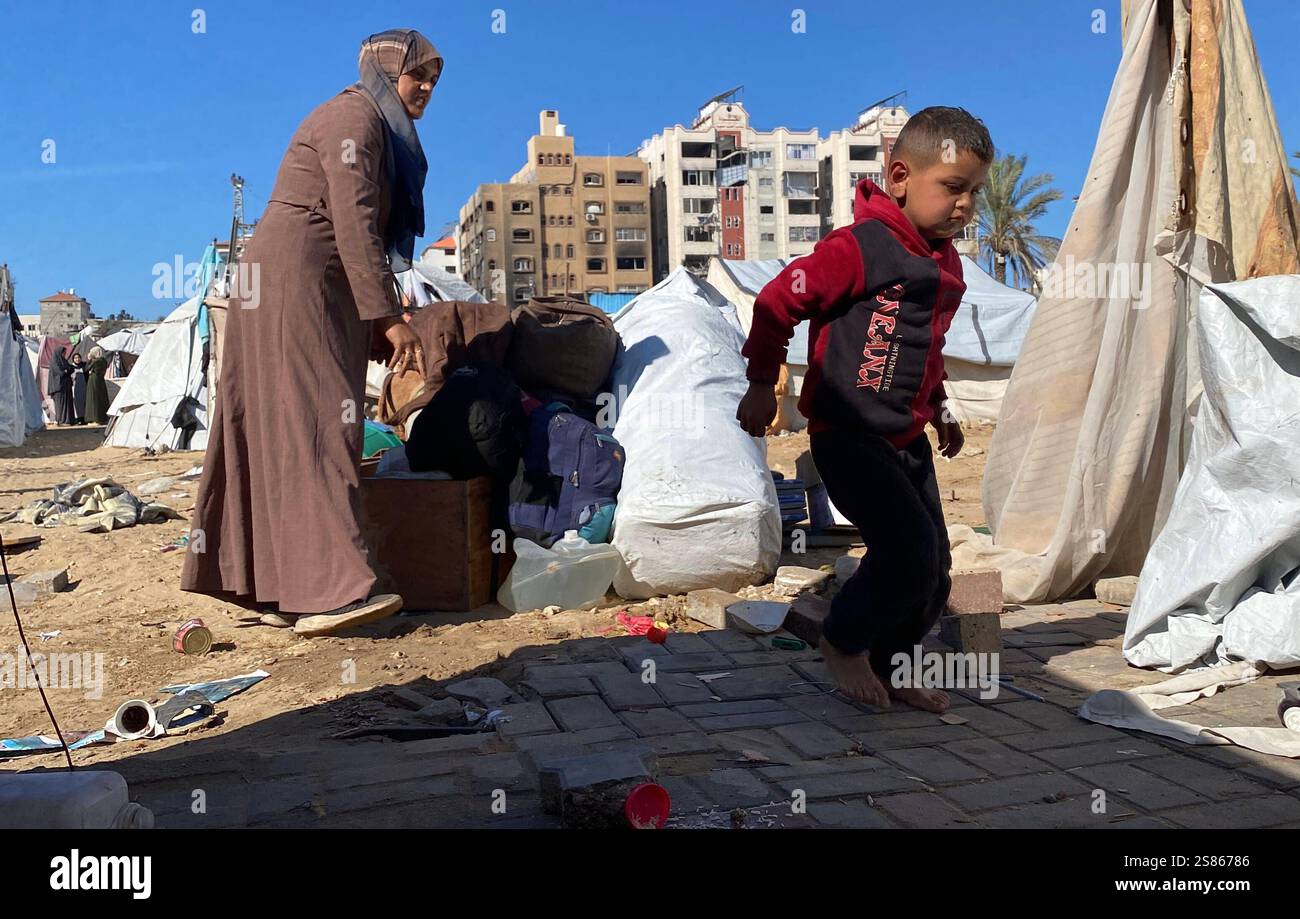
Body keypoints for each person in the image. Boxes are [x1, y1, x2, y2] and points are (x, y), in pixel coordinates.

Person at [182, 29, 442, 637]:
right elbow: (353, 220)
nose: (427, 87)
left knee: (285, 423)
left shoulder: (369, 121)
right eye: (417, 74)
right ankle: (333, 589)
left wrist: (379, 313)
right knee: (321, 421)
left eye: (434, 78)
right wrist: (385, 315)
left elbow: (362, 235)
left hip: (300, 280)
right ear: (384, 72)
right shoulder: (355, 118)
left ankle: (281, 586)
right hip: (296, 279)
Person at [736, 107, 993, 713]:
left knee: (934, 569)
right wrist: (757, 383)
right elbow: (775, 304)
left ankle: (893, 660)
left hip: (906, 441)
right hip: (847, 434)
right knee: (904, 550)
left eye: (974, 193)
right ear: (901, 176)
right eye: (953, 188)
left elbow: (923, 349)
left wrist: (939, 408)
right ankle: (844, 639)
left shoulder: (946, 263)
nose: (965, 205)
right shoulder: (856, 248)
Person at [84, 346, 110, 424]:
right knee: (101, 399)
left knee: (94, 399)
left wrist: (89, 360)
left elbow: (86, 368)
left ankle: (95, 418)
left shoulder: (95, 361)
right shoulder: (104, 361)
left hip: (94, 381)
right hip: (101, 380)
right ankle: (102, 418)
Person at [48, 347, 75, 425]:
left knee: (68, 404)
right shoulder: (54, 362)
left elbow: (71, 368)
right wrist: (66, 370)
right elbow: (60, 372)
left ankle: (68, 420)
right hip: (59, 387)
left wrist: (66, 370)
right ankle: (62, 420)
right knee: (61, 405)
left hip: (66, 386)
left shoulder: (64, 361)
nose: (64, 354)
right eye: (63, 353)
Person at [70, 351, 88, 424]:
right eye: (75, 358)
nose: (77, 359)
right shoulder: (71, 367)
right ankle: (77, 418)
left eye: (78, 358)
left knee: (84, 402)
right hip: (75, 387)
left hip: (84, 387)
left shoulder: (84, 366)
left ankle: (84, 418)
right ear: (73, 359)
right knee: (76, 403)